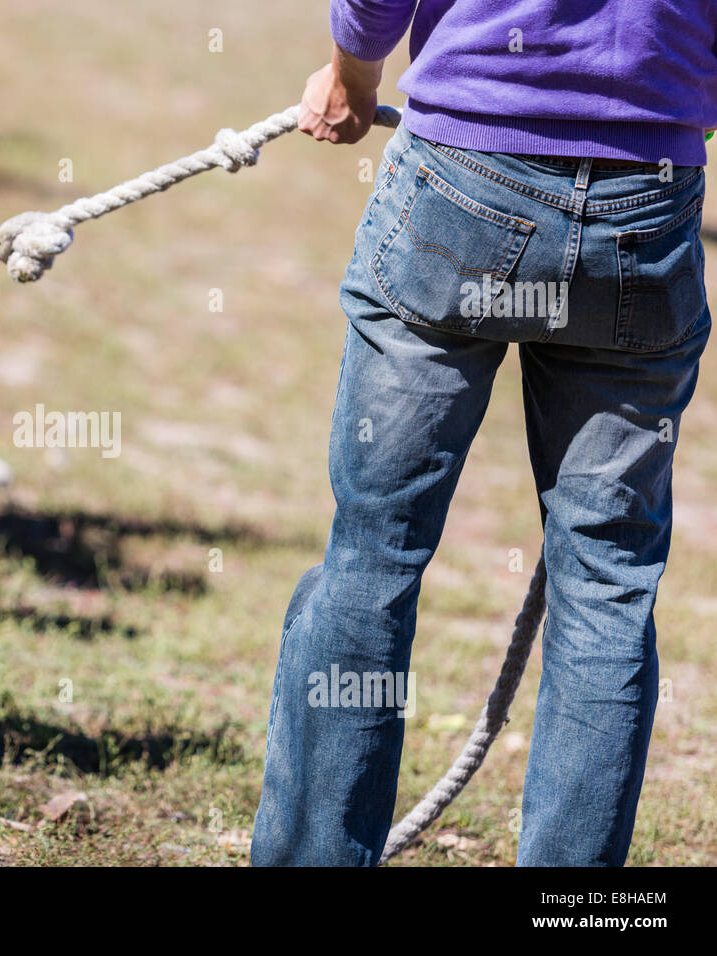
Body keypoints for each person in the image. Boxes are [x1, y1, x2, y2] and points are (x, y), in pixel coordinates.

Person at [252, 0, 717, 866]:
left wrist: (354, 74)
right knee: (609, 586)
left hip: (465, 174)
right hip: (645, 198)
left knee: (374, 552)